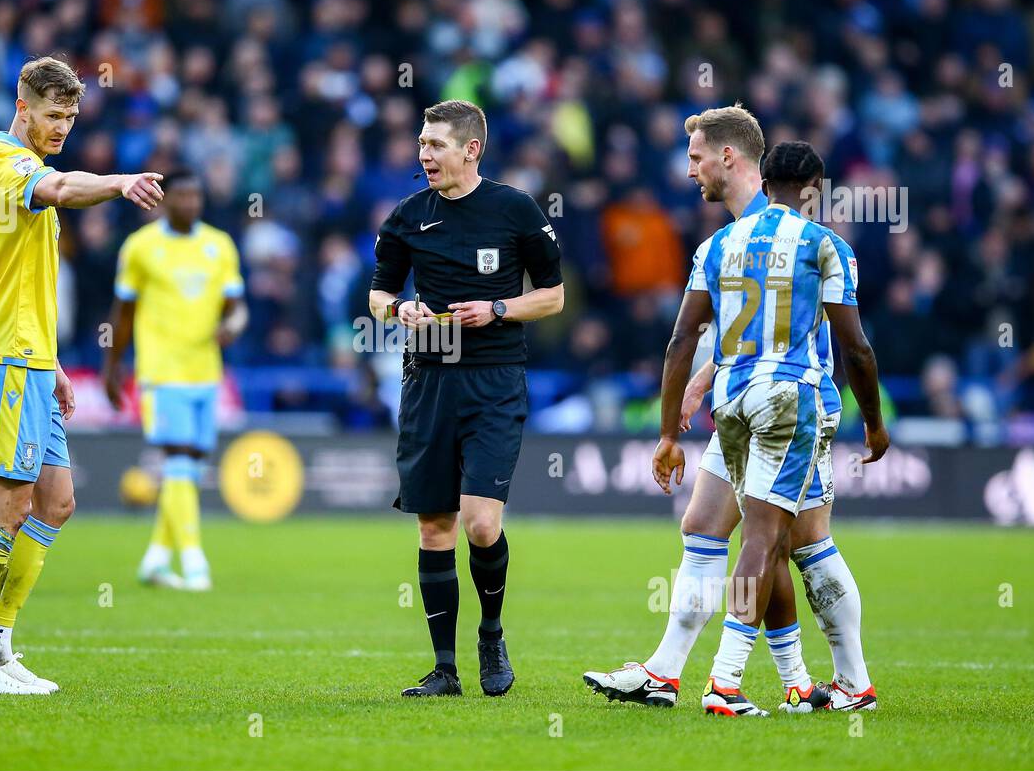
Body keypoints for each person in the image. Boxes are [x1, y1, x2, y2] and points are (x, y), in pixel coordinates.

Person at [584, 106, 879, 713]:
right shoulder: (798, 241)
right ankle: (674, 673)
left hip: (786, 399)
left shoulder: (728, 242)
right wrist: (701, 381)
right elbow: (765, 331)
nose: (688, 170)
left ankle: (831, 679)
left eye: (695, 158)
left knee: (797, 540)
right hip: (762, 397)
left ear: (731, 158)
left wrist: (692, 390)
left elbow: (772, 332)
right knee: (712, 527)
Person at [0, 56, 165, 695]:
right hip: (2, 358)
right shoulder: (3, 166)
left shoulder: (26, 167)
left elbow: (26, 283)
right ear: (22, 109)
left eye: (70, 117)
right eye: (52, 115)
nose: (62, 127)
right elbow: (64, 188)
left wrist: (55, 365)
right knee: (6, 505)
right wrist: (123, 182)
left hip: (32, 359)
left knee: (57, 501)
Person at [368, 99, 564, 698]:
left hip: (495, 380)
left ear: (471, 149)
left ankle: (492, 632)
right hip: (428, 381)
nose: (424, 154)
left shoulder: (514, 209)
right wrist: (401, 309)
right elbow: (376, 297)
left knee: (480, 525)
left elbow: (553, 297)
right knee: (434, 527)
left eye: (436, 144)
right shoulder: (407, 216)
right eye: (422, 144)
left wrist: (499, 309)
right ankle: (445, 669)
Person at [103, 168, 248, 591]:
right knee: (178, 458)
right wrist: (112, 368)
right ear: (165, 201)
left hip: (206, 372)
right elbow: (123, 312)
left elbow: (236, 307)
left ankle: (157, 557)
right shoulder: (141, 247)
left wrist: (234, 326)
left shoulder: (218, 245)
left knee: (188, 466)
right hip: (161, 371)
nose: (190, 204)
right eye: (181, 197)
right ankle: (194, 559)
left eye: (195, 197)